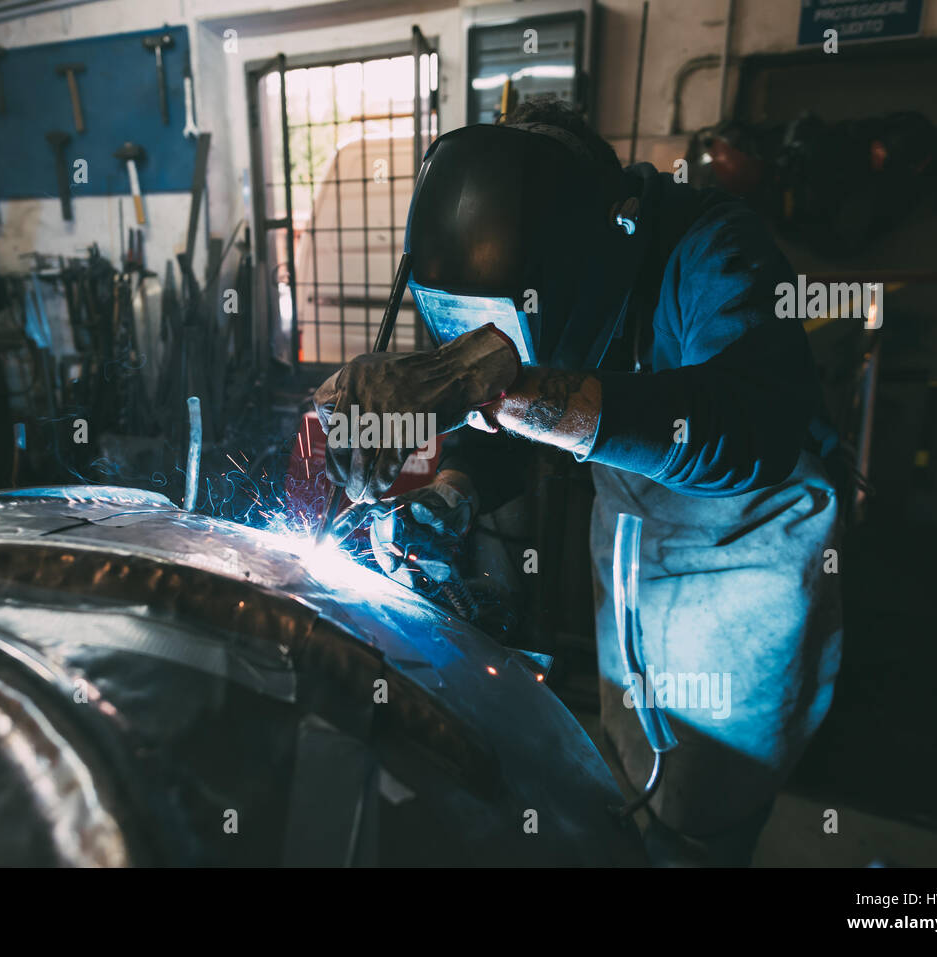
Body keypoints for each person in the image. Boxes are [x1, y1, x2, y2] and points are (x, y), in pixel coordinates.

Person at [312, 98, 843, 865]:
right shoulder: (560, 277)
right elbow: (511, 430)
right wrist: (450, 490)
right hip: (632, 556)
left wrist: (501, 383)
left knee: (699, 811)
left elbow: (746, 427)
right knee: (630, 769)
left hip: (743, 566)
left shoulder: (712, 249)